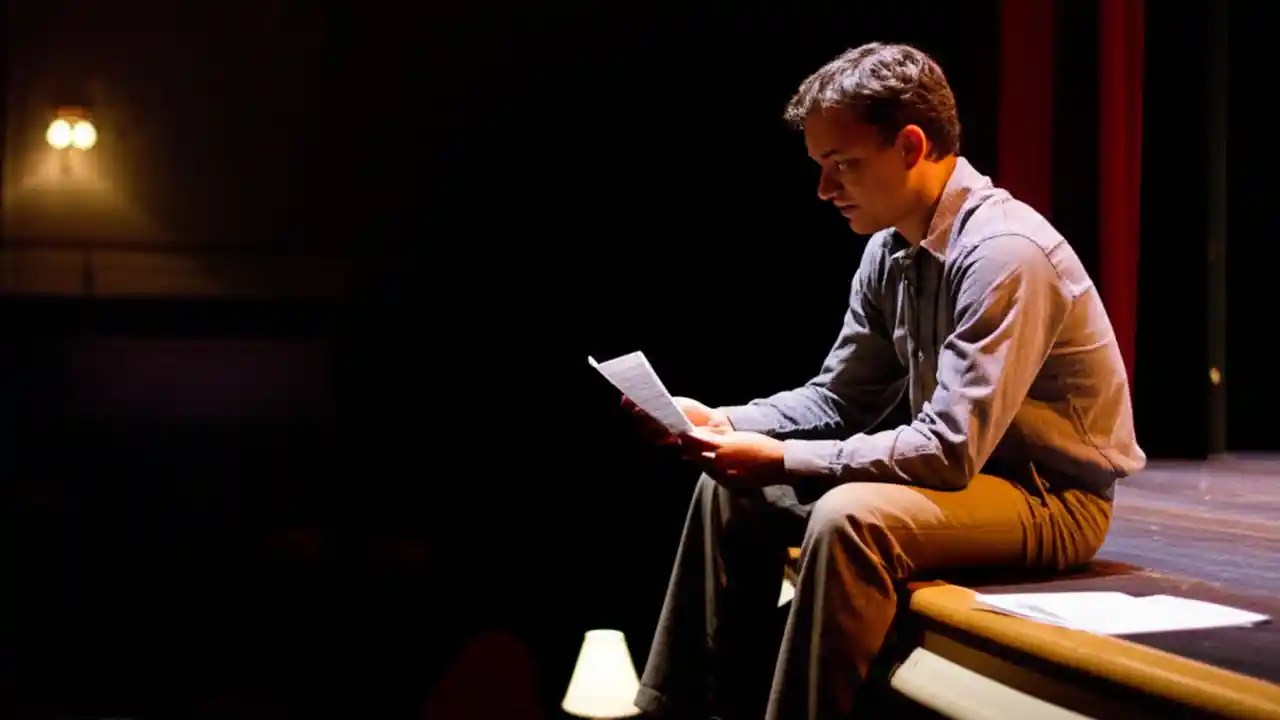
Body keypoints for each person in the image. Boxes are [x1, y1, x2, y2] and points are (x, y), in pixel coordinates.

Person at [630, 42, 1146, 720]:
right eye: (820, 167)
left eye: (842, 165)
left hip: (1048, 498)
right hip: (963, 480)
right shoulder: (889, 248)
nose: (824, 189)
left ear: (910, 145)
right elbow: (840, 397)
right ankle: (681, 709)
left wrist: (781, 457)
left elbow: (948, 449)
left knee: (851, 518)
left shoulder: (1003, 254)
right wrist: (729, 423)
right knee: (725, 490)